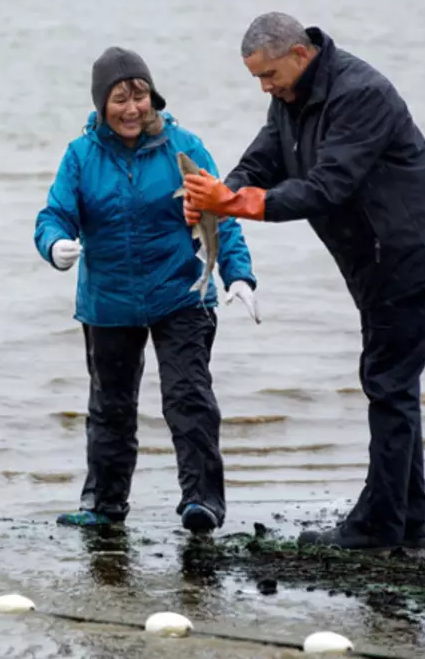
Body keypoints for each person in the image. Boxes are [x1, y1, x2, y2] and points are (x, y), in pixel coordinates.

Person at [181, 12, 425, 551]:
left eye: (269, 76)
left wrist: (236, 203)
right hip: (374, 256)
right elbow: (267, 155)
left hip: (408, 252)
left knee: (387, 384)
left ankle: (379, 526)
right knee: (394, 385)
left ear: (299, 53)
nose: (266, 87)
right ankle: (407, 518)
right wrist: (223, 193)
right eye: (257, 80)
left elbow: (326, 186)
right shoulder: (292, 96)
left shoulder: (362, 94)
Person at [35, 46, 260, 534]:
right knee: (110, 407)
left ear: (153, 97)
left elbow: (220, 215)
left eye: (140, 95)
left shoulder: (184, 148)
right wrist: (54, 246)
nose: (132, 108)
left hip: (181, 292)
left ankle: (202, 502)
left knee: (189, 397)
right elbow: (54, 215)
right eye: (120, 98)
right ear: (101, 105)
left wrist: (236, 274)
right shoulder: (81, 156)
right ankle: (104, 506)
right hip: (109, 301)